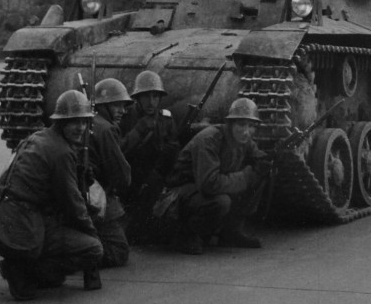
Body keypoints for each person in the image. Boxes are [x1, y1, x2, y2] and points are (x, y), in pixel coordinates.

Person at [0, 90, 104, 301]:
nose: (81, 128)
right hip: (23, 228)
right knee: (93, 249)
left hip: (0, 222)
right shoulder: (61, 152)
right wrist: (91, 232)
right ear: (61, 123)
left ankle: (28, 269)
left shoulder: (37, 137)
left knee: (57, 269)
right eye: (74, 122)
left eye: (84, 122)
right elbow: (73, 202)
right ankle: (23, 271)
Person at [165, 97, 270, 255]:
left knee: (260, 174)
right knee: (221, 201)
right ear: (230, 124)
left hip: (200, 191)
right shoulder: (210, 139)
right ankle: (186, 235)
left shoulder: (243, 140)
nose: (246, 131)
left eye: (251, 126)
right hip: (180, 193)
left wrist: (268, 161)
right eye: (241, 124)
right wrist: (247, 176)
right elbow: (209, 184)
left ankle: (231, 232)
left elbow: (259, 157)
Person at [120, 70, 181, 243]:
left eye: (155, 96)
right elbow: (119, 150)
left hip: (155, 175)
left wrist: (160, 171)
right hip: (130, 173)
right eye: (146, 96)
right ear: (137, 98)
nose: (151, 101)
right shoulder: (126, 118)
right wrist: (139, 130)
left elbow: (173, 150)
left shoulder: (166, 119)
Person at [90, 78, 133, 268]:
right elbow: (121, 175)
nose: (122, 111)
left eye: (123, 106)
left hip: (82, 189)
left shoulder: (88, 121)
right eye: (117, 105)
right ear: (104, 106)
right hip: (93, 194)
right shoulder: (106, 129)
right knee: (119, 252)